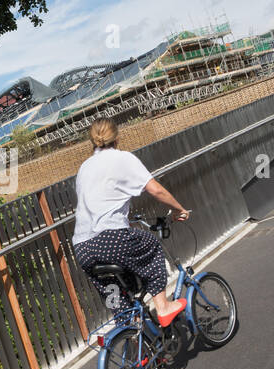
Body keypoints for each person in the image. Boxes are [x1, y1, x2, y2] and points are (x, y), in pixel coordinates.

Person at [72, 119, 191, 326]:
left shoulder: (84, 168)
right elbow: (156, 190)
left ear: (92, 141)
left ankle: (133, 340)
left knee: (117, 292)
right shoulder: (122, 158)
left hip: (82, 248)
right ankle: (163, 307)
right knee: (152, 247)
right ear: (117, 138)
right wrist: (179, 209)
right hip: (109, 238)